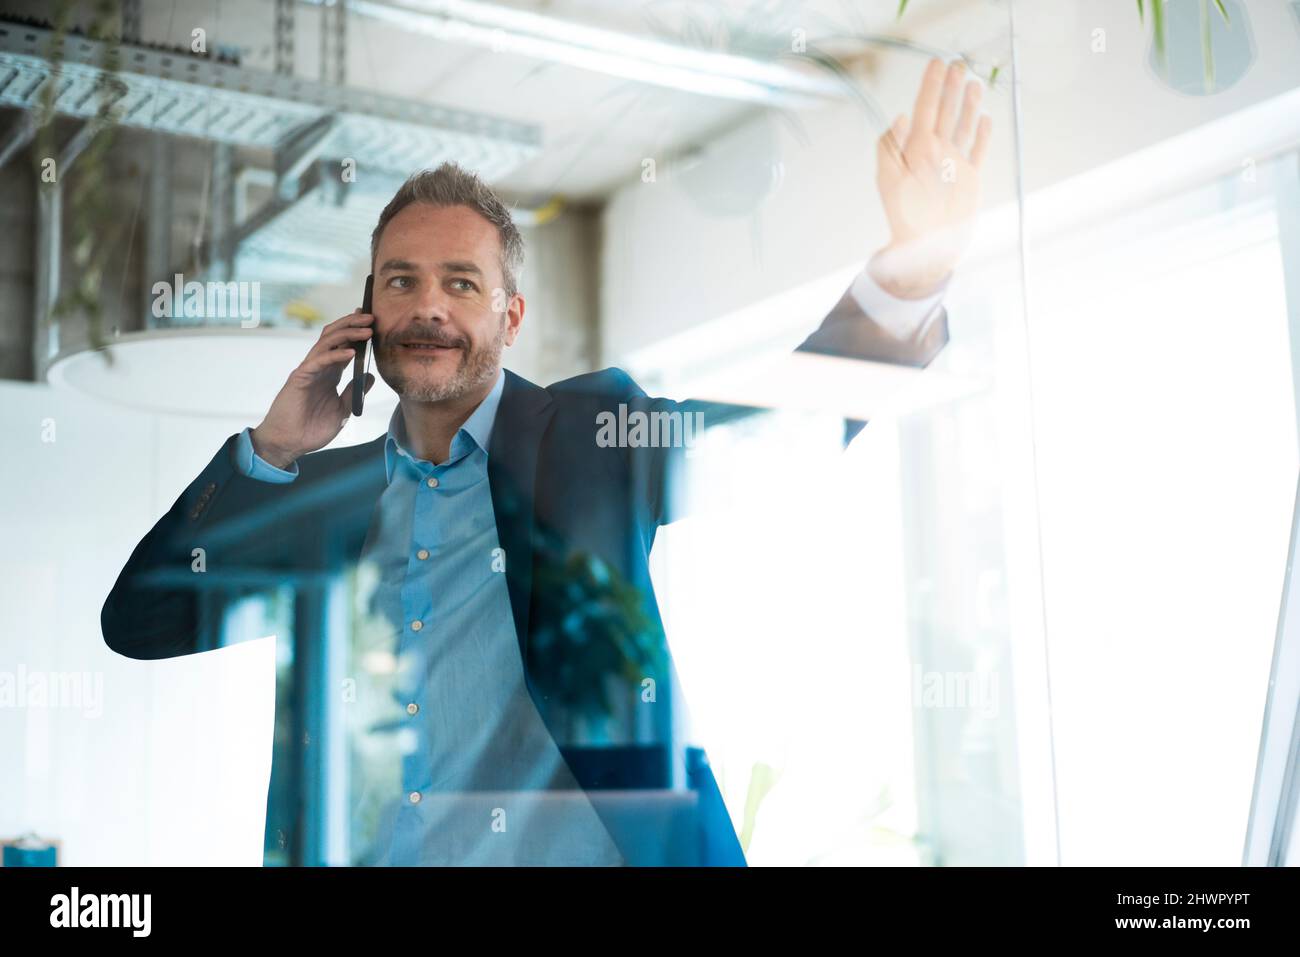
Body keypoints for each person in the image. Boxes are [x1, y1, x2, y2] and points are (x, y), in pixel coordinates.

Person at [101, 59, 991, 866]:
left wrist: (909, 274)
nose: (428, 307)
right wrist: (270, 451)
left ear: (511, 317)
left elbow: (776, 425)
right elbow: (140, 622)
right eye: (400, 280)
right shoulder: (319, 498)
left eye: (461, 282)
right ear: (367, 310)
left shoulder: (589, 440)